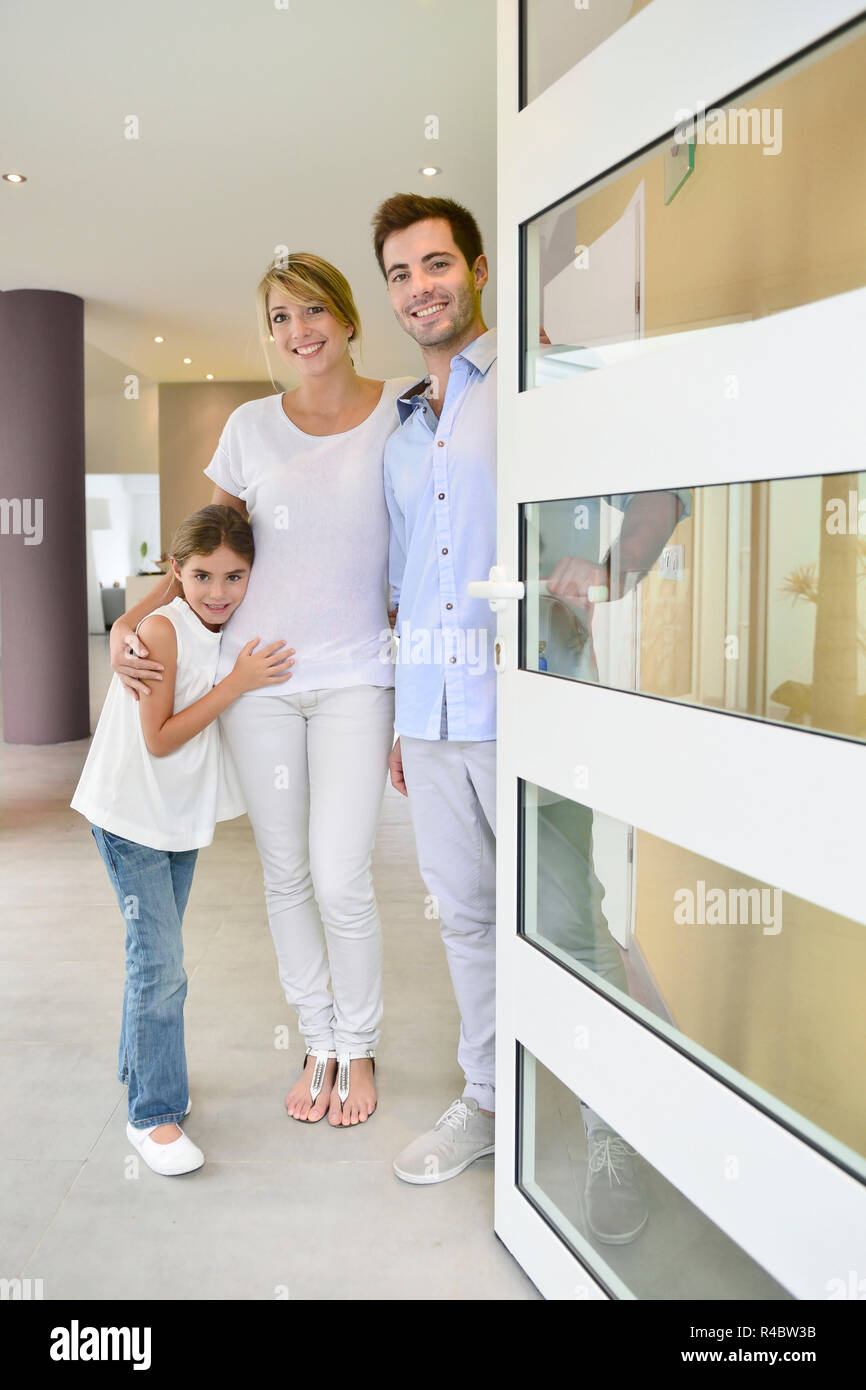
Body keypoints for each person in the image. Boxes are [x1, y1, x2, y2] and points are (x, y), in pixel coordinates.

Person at [372, 195, 688, 1226]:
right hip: (430, 709)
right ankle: (487, 1097)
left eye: (434, 264)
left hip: (531, 702)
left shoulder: (536, 376)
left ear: (473, 268)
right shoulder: (401, 427)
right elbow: (404, 578)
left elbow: (659, 487)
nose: (418, 287)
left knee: (563, 926)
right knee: (465, 920)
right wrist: (396, 716)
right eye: (399, 273)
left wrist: (601, 573)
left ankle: (608, 1137)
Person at [109, 254, 416, 1127]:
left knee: (339, 873)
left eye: (312, 311)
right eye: (279, 318)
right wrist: (140, 615)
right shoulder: (248, 426)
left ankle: (360, 1048)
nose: (298, 331)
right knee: (284, 873)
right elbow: (213, 545)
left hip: (358, 675)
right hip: (262, 681)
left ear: (349, 318)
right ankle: (316, 1041)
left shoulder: (400, 409)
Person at [71, 505, 294, 1174]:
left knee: (153, 957)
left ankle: (136, 1064)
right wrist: (237, 683)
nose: (219, 592)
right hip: (130, 815)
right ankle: (153, 1113)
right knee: (161, 965)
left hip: (175, 819)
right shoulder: (166, 631)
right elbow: (159, 738)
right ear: (176, 571)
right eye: (202, 576)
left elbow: (138, 618)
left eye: (235, 576)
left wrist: (121, 623)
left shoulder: (202, 620)